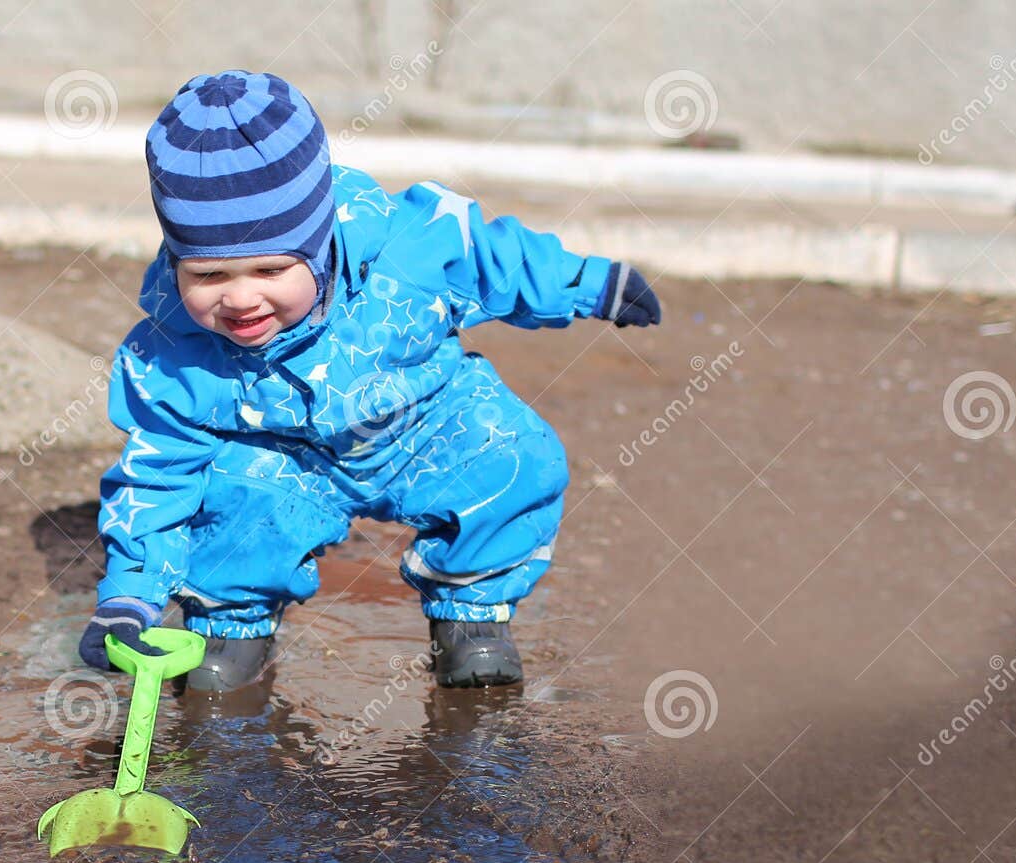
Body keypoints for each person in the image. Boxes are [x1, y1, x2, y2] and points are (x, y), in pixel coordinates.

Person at [79, 70, 660, 692]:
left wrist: (592, 284)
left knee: (511, 455)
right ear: (175, 260)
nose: (241, 298)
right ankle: (233, 624)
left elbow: (499, 260)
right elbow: (156, 475)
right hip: (284, 459)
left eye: (271, 268)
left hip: (423, 424)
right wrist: (130, 599)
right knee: (230, 497)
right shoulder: (175, 354)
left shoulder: (407, 250)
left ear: (319, 240)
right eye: (209, 276)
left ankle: (471, 615)